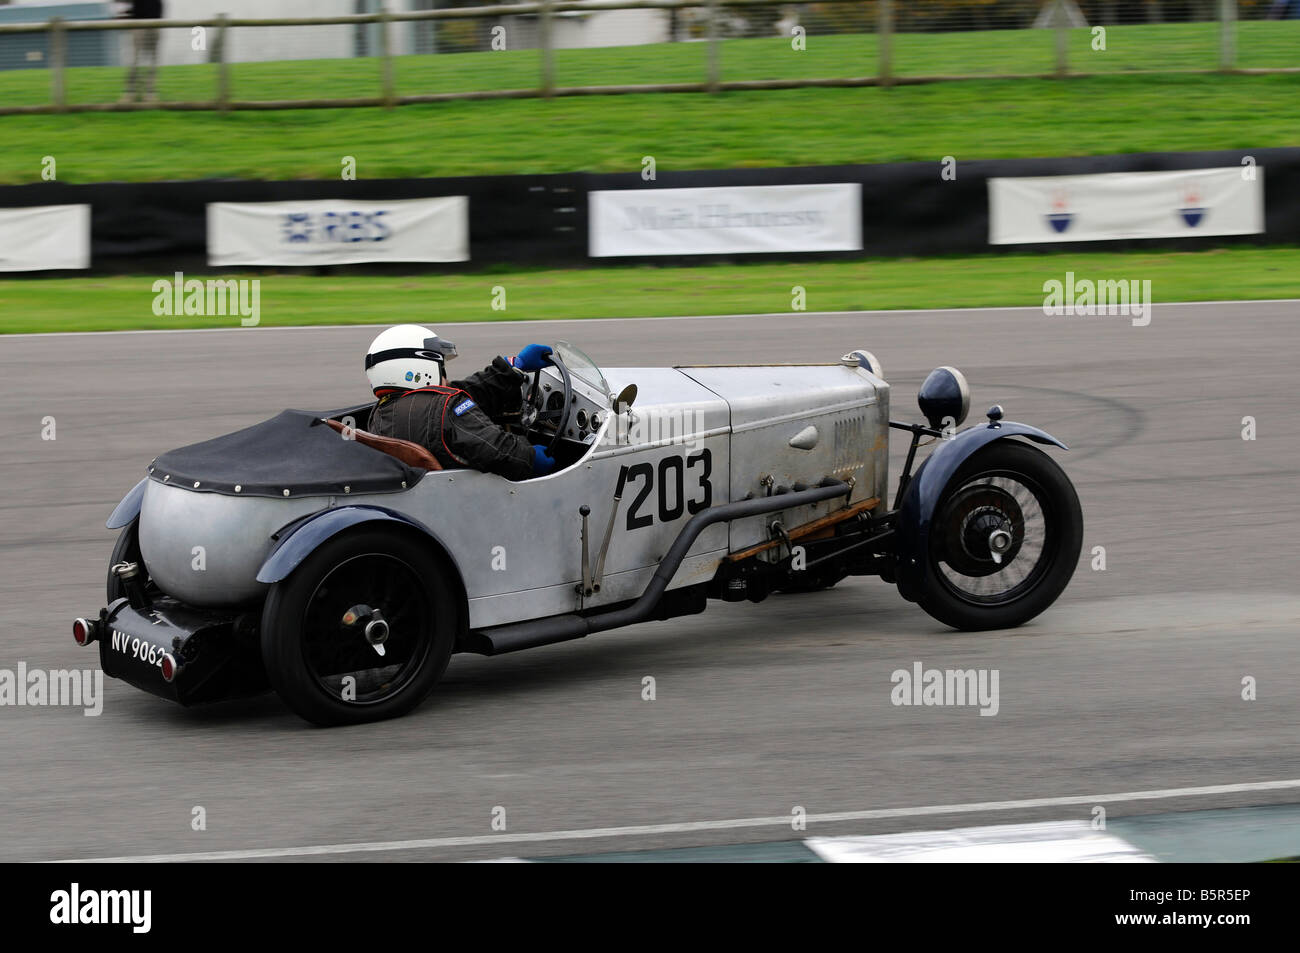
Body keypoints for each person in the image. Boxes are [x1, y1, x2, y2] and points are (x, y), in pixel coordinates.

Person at [364, 324, 558, 480]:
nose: (446, 379)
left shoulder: (382, 415)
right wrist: (530, 458)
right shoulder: (445, 408)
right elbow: (496, 449)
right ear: (420, 368)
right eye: (442, 370)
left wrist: (514, 365)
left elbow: (460, 393)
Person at [121, 0, 164, 104]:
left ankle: (150, 93)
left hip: (155, 22)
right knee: (135, 61)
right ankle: (130, 93)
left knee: (153, 62)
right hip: (138, 23)